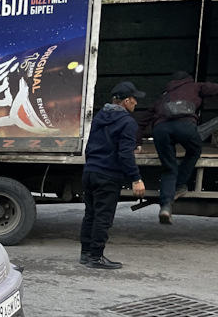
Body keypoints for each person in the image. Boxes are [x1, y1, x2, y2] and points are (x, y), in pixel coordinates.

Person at [79, 81, 146, 270]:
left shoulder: (100, 116)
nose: (136, 103)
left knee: (90, 214)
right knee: (103, 217)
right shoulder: (128, 122)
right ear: (126, 101)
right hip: (108, 175)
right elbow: (125, 154)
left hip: (90, 171)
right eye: (134, 99)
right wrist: (136, 179)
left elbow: (90, 146)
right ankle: (96, 257)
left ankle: (86, 253)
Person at [136, 71, 218, 224]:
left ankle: (166, 206)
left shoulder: (163, 97)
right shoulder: (195, 86)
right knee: (194, 151)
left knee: (169, 167)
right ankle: (179, 186)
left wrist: (137, 143)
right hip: (185, 127)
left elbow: (141, 122)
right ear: (188, 79)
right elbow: (213, 88)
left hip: (161, 130)